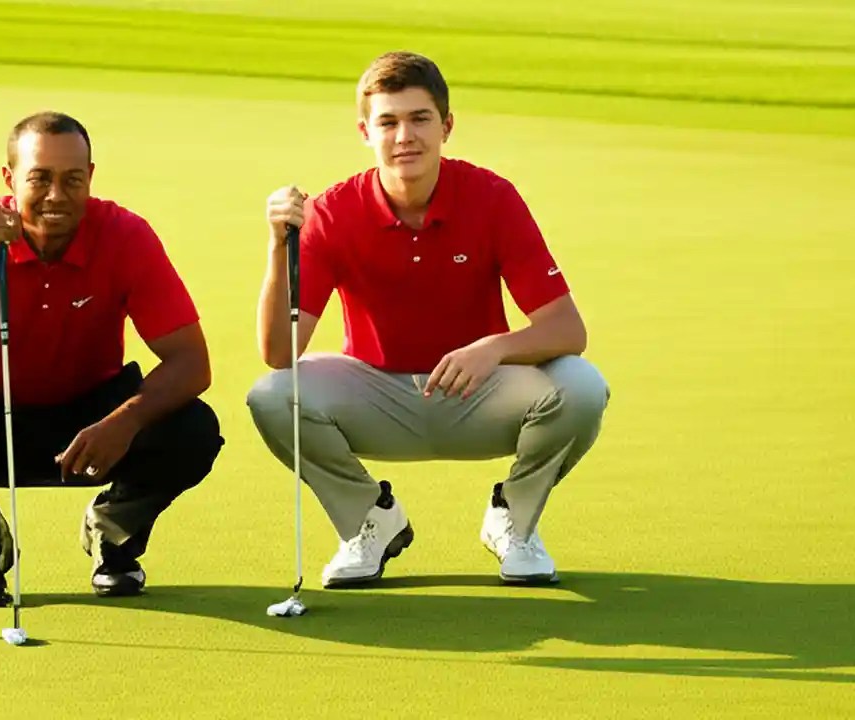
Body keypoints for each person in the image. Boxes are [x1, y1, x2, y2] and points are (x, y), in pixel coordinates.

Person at [248, 52, 609, 588]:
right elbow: (282, 353)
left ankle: (515, 518)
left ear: (447, 126)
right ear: (365, 131)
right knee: (273, 394)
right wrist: (280, 249)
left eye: (419, 119)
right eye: (388, 122)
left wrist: (493, 347)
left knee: (581, 386)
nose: (404, 137)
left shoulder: (492, 198)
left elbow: (568, 332)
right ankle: (369, 519)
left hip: (480, 393)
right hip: (376, 394)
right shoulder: (332, 213)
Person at [0, 111, 223, 605]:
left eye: (72, 180)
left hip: (91, 423)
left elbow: (192, 363)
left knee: (192, 427)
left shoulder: (124, 234)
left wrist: (123, 422)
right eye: (39, 178)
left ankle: (114, 534)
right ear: (9, 178)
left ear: (90, 178)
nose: (56, 195)